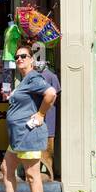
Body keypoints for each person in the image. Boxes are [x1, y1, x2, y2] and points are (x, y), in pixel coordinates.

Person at [0, 43, 57, 192]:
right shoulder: (24, 80)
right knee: (6, 167)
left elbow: (51, 94)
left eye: (24, 56)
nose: (19, 59)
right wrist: (11, 97)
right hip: (18, 137)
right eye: (17, 57)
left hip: (29, 135)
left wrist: (41, 115)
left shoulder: (34, 77)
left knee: (32, 175)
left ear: (32, 60)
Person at [31, 43, 61, 178]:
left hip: (48, 118)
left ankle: (48, 172)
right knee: (33, 147)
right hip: (34, 118)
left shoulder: (51, 76)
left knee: (48, 147)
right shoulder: (31, 76)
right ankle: (32, 172)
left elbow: (55, 96)